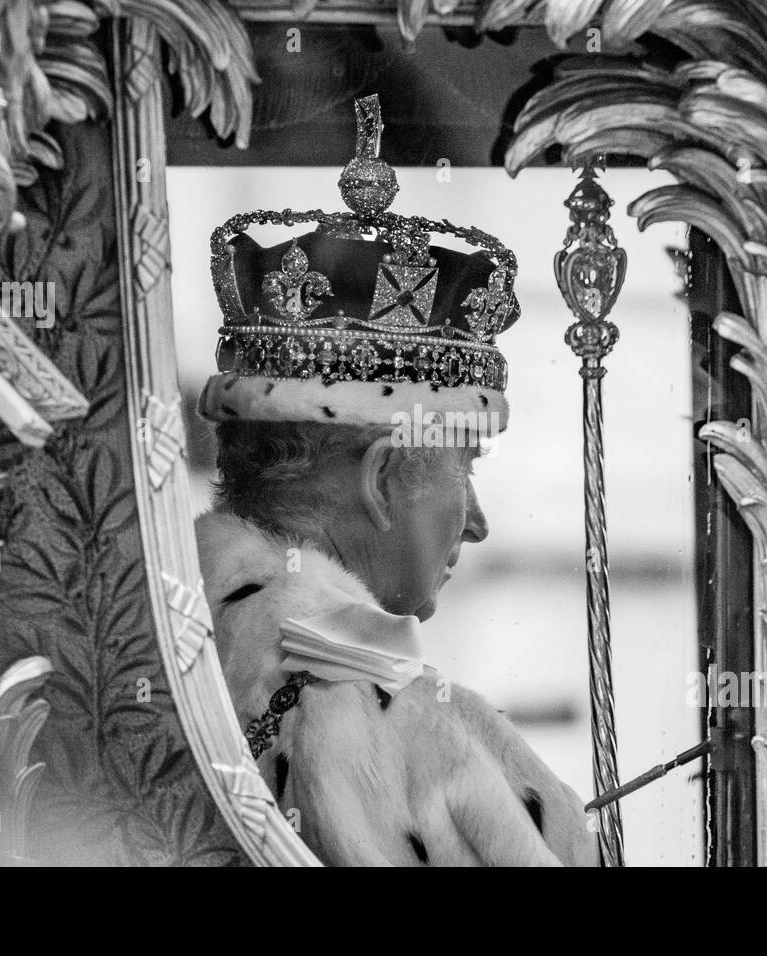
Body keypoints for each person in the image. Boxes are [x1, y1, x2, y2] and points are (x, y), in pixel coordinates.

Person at [193, 96, 596, 866]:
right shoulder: (384, 720)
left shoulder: (172, 643)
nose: (475, 522)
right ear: (381, 477)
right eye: (464, 464)